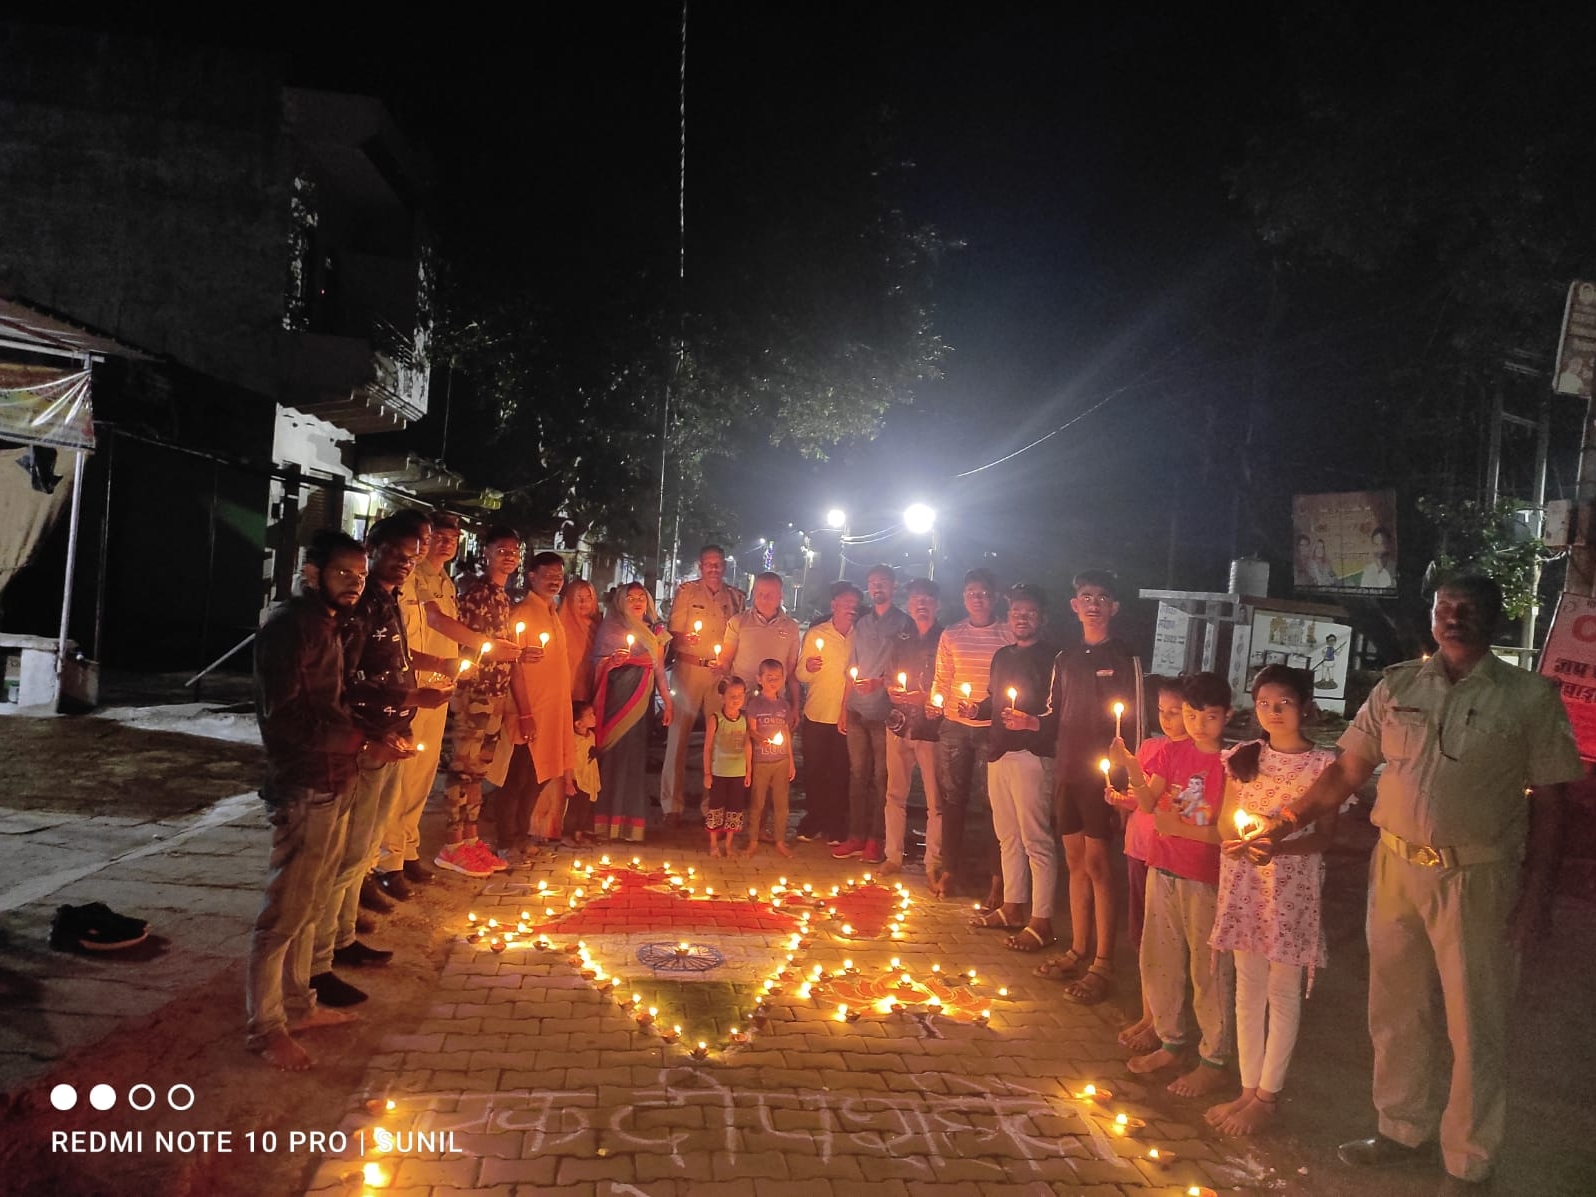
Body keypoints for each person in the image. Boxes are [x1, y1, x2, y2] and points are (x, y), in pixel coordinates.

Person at [1242, 575, 1583, 1186]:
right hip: (1395, 868)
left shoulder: (1528, 697)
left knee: (1475, 1020)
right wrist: (1286, 819)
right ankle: (1401, 1128)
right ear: (1431, 618)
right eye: (1445, 608)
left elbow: (1555, 806)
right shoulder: (1398, 685)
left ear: (1495, 619)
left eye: (1469, 609)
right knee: (1395, 1009)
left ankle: (1469, 1158)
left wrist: (1537, 898)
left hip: (1477, 878)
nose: (1454, 618)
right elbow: (1348, 770)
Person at [311, 515, 451, 1008]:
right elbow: (345, 680)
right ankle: (320, 958)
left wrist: (414, 696)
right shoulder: (359, 606)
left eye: (412, 558)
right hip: (365, 742)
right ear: (374, 549)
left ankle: (344, 938)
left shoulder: (388, 600)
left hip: (393, 734)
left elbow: (394, 661)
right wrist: (403, 701)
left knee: (365, 843)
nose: (404, 564)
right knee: (348, 852)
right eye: (396, 554)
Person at [246, 530, 368, 1069]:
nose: (354, 585)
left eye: (360, 578)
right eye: (344, 574)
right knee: (286, 910)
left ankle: (299, 1004)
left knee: (313, 903)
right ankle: (264, 1025)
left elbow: (331, 704)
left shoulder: (327, 624)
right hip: (304, 784)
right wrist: (355, 739)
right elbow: (285, 717)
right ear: (312, 572)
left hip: (335, 778)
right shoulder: (290, 627)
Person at [1205, 665, 1337, 1136]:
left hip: (1292, 889)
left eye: (1283, 703)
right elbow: (1224, 821)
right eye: (1264, 703)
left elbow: (1324, 836)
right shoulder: (1242, 756)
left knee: (1282, 993)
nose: (1273, 712)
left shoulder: (1324, 767)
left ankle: (1269, 1094)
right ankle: (1246, 1087)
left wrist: (1279, 846)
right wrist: (1239, 842)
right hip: (1244, 882)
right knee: (1247, 988)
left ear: (1305, 706)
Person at [1112, 671, 1235, 1098]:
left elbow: (1224, 832)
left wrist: (1177, 828)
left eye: (1209, 716)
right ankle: (1170, 1040)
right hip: (1162, 868)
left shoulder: (1231, 764)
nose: (1198, 724)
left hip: (1204, 876)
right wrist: (1129, 763)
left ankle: (1214, 1057)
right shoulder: (1170, 754)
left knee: (1208, 969)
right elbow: (1148, 800)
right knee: (1157, 957)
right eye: (1191, 714)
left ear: (1227, 716)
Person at [1034, 569, 1143, 1006]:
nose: (1093, 603)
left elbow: (1135, 726)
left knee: (1100, 866)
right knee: (1075, 863)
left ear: (1114, 607)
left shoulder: (1124, 656)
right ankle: (1078, 948)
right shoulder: (1065, 658)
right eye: (1085, 596)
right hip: (1067, 773)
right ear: (1074, 606)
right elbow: (1052, 712)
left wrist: (1128, 786)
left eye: (1101, 597)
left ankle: (1104, 960)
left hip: (1103, 779)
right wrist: (1029, 723)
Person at [965, 584, 1059, 954]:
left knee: (1036, 838)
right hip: (999, 751)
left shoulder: (1053, 659)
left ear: (1043, 618)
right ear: (1008, 619)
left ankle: (1042, 918)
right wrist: (978, 710)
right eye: (1017, 612)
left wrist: (1032, 724)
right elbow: (994, 697)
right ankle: (1013, 906)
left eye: (1030, 613)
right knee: (1007, 836)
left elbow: (1059, 711)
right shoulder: (1002, 656)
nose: (1022, 618)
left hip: (1033, 755)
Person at [436, 526, 534, 876]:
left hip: (496, 691)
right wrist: (495, 650)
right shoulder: (476, 591)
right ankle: (452, 844)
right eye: (502, 549)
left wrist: (518, 654)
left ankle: (472, 839)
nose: (509, 556)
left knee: (478, 773)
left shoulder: (504, 596)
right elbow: (469, 641)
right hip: (473, 690)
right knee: (462, 770)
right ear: (486, 552)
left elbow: (500, 644)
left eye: (514, 550)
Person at [377, 510, 461, 898]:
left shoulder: (437, 580)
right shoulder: (397, 585)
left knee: (422, 775)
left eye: (442, 537)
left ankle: (407, 850)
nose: (433, 544)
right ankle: (386, 862)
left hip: (432, 685)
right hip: (403, 690)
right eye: (428, 537)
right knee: (399, 779)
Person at [1106, 675, 1188, 1055]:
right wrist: (1121, 800)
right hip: (1139, 847)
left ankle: (1163, 1019)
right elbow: (1142, 800)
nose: (1168, 719)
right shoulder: (1151, 746)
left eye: (1177, 712)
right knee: (1141, 936)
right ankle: (1147, 1013)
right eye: (1162, 711)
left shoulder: (1189, 757)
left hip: (1166, 853)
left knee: (1163, 940)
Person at [929, 568, 1014, 898]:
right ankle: (950, 869)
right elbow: (942, 679)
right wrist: (935, 704)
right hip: (954, 727)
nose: (977, 599)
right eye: (971, 593)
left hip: (991, 730)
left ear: (993, 597)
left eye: (983, 593)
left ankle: (997, 878)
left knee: (993, 804)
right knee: (953, 800)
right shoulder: (951, 634)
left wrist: (989, 708)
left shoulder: (1007, 633)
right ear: (963, 597)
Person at [834, 564, 915, 864]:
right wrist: (845, 708)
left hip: (884, 712)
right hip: (857, 710)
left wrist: (880, 682)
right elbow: (850, 669)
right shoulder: (863, 624)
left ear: (893, 587)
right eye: (872, 582)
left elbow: (905, 668)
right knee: (857, 776)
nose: (877, 587)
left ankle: (876, 839)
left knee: (883, 778)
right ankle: (855, 835)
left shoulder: (904, 624)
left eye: (882, 582)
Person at [660, 545, 745, 828]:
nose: (713, 569)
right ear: (700, 565)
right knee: (678, 740)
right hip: (688, 670)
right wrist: (686, 636)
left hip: (718, 673)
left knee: (719, 738)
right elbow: (673, 629)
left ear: (724, 566)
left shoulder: (734, 597)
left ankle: (713, 806)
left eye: (718, 564)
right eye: (709, 564)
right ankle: (672, 806)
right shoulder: (687, 592)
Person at [500, 551, 575, 857]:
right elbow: (513, 665)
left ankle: (521, 833)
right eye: (548, 574)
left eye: (559, 575)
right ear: (532, 576)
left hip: (551, 712)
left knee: (537, 776)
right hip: (528, 710)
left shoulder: (552, 611)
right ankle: (506, 838)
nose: (555, 580)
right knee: (518, 777)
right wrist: (526, 713)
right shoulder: (522, 614)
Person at [591, 581, 673, 841]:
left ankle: (629, 824)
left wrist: (667, 702)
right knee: (614, 758)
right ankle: (604, 822)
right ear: (620, 601)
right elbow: (598, 661)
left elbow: (658, 668)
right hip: (618, 700)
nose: (637, 601)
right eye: (631, 597)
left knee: (634, 760)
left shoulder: (656, 631)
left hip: (641, 704)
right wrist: (611, 662)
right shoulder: (612, 626)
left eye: (641, 597)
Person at [884, 577, 943, 875]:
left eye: (927, 600)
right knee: (894, 793)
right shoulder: (900, 638)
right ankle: (892, 855)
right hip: (899, 724)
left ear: (937, 604)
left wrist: (929, 697)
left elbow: (952, 684)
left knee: (936, 799)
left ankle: (933, 861)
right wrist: (891, 690)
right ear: (908, 605)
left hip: (932, 728)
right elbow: (889, 675)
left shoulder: (945, 639)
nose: (921, 605)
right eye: (916, 600)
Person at [794, 582, 861, 844]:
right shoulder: (816, 634)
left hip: (846, 716)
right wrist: (809, 666)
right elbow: (800, 673)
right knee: (815, 770)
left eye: (855, 605)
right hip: (817, 713)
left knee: (841, 771)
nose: (851, 609)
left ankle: (836, 823)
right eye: (846, 604)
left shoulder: (860, 635)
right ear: (834, 605)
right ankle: (814, 819)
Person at [743, 659, 796, 856]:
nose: (773, 682)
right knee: (758, 803)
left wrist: (790, 761)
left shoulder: (784, 705)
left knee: (782, 804)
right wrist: (761, 739)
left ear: (783, 679)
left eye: (778, 678)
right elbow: (751, 730)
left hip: (781, 760)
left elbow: (786, 733)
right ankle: (753, 840)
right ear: (760, 679)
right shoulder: (755, 704)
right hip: (761, 761)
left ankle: (780, 840)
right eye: (769, 678)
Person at [702, 675, 751, 857]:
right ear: (722, 696)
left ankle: (729, 845)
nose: (736, 699)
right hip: (719, 772)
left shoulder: (745, 719)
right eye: (731, 695)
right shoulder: (716, 719)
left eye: (740, 695)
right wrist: (707, 773)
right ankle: (714, 844)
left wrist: (748, 772)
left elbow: (747, 746)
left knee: (735, 809)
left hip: (737, 773)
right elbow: (707, 747)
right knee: (716, 808)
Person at [561, 700, 601, 843]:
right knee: (572, 809)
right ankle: (566, 835)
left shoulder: (591, 735)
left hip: (588, 778)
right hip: (576, 778)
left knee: (584, 807)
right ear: (578, 723)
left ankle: (578, 834)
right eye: (589, 715)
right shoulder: (572, 740)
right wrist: (569, 782)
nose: (594, 717)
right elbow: (568, 761)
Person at [559, 576, 603, 704]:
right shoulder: (561, 626)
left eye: (588, 598)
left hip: (590, 686)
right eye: (579, 598)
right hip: (568, 690)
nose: (584, 602)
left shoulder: (597, 626)